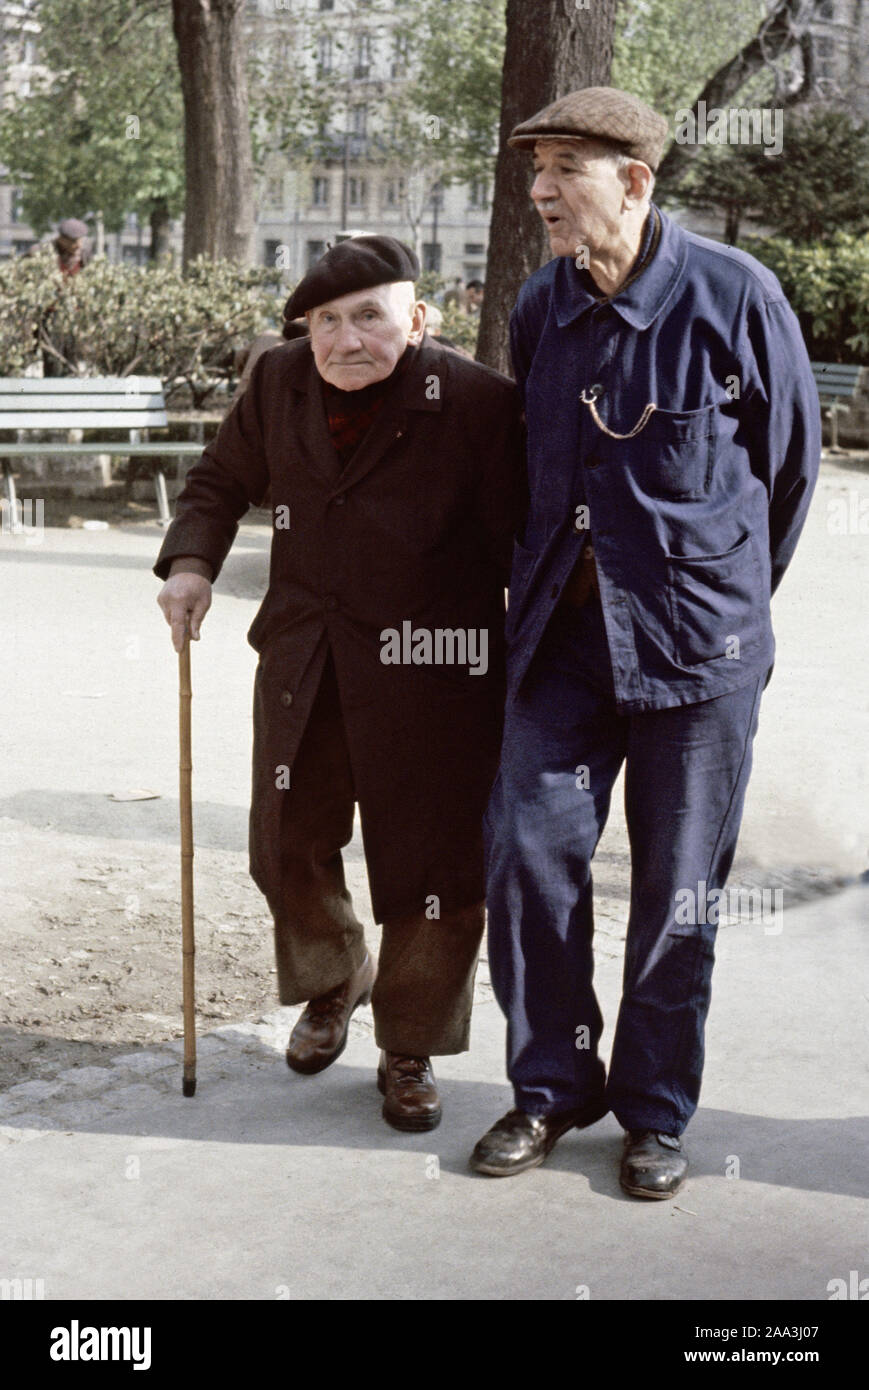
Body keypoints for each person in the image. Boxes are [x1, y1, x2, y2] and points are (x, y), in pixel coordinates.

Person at [469, 88, 820, 1195]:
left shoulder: (735, 296)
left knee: (678, 893)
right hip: (561, 646)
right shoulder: (540, 305)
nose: (538, 193)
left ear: (633, 179)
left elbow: (788, 473)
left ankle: (656, 1113)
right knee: (526, 855)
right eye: (534, 171)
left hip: (694, 657)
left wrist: (716, 606)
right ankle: (550, 1089)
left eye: (561, 169)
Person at [154, 236, 524, 1133]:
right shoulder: (278, 382)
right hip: (306, 655)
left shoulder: (477, 403)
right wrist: (192, 563)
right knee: (283, 840)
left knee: (432, 870)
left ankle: (410, 1043)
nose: (346, 339)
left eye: (369, 315)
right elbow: (218, 481)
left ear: (418, 318)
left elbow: (529, 535)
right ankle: (335, 976)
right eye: (326, 320)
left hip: (437, 672)